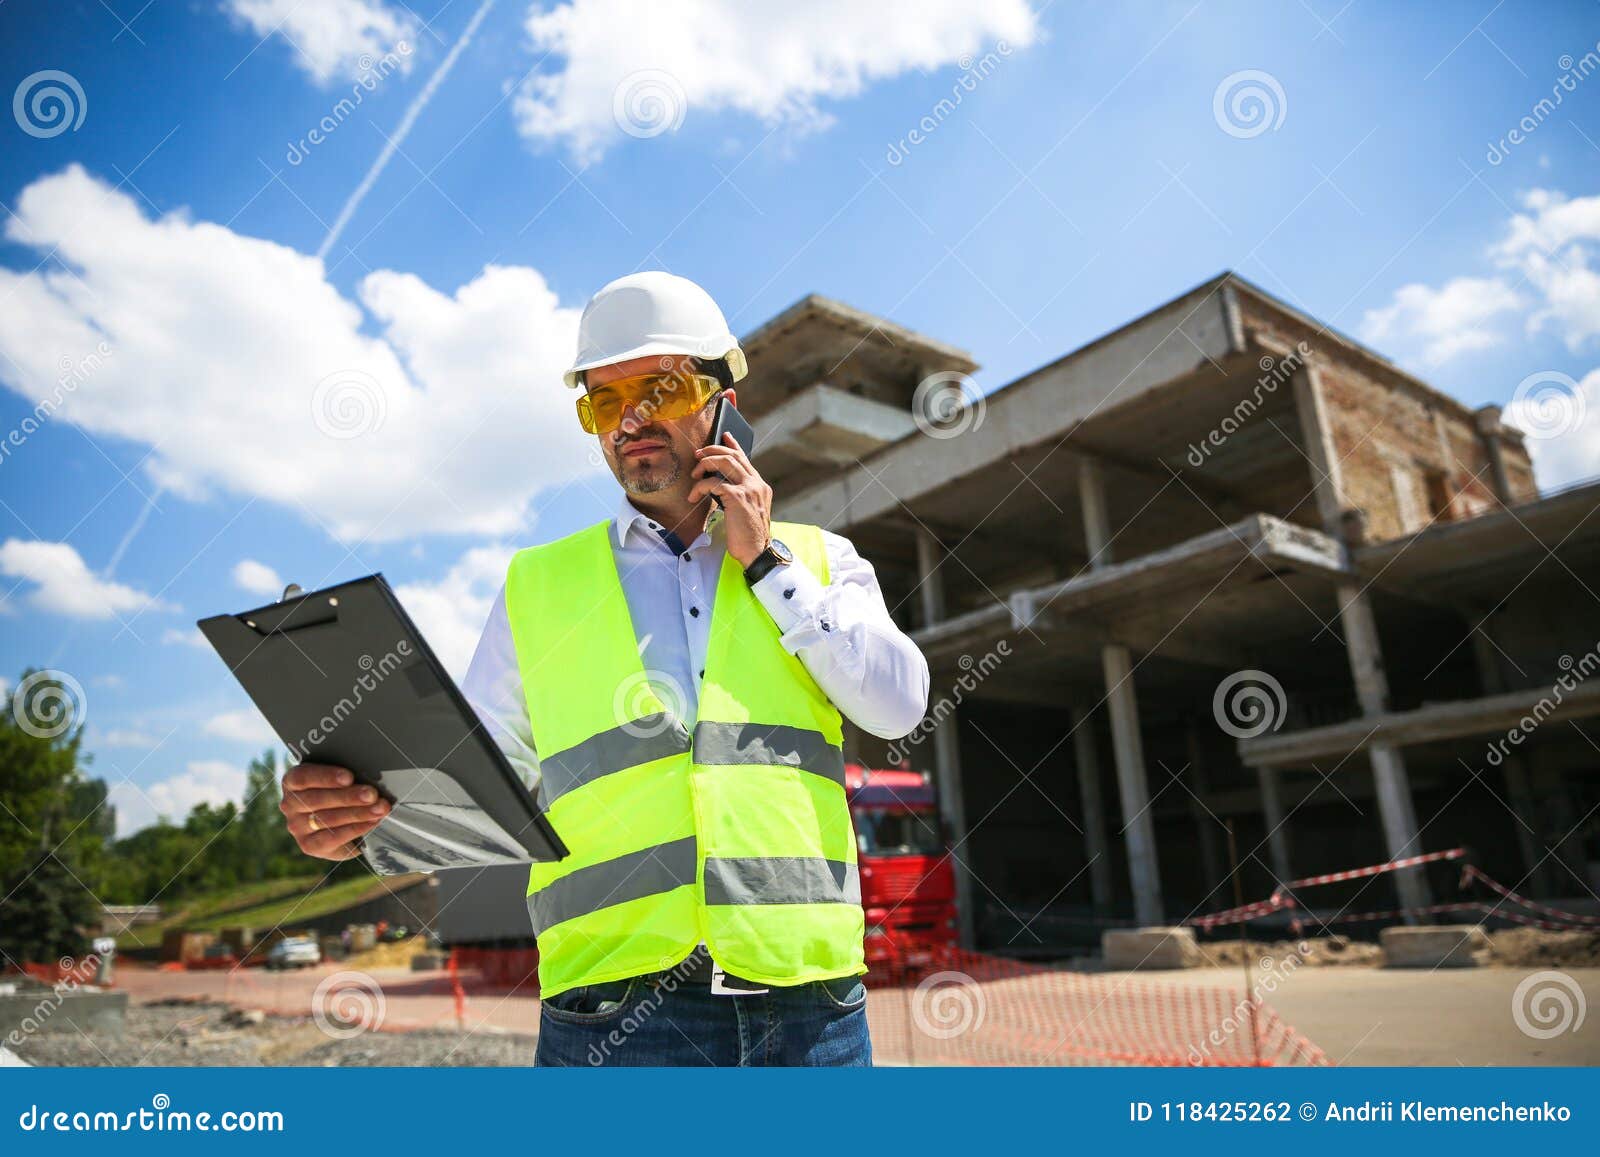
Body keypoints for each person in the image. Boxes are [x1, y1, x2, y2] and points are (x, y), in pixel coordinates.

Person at [278, 271, 930, 1066]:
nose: (633, 421)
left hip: (810, 1009)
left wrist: (771, 569)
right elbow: (483, 783)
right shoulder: (539, 587)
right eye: (606, 402)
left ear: (724, 400)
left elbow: (898, 707)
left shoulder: (819, 563)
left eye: (659, 388)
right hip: (614, 1019)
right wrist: (354, 829)